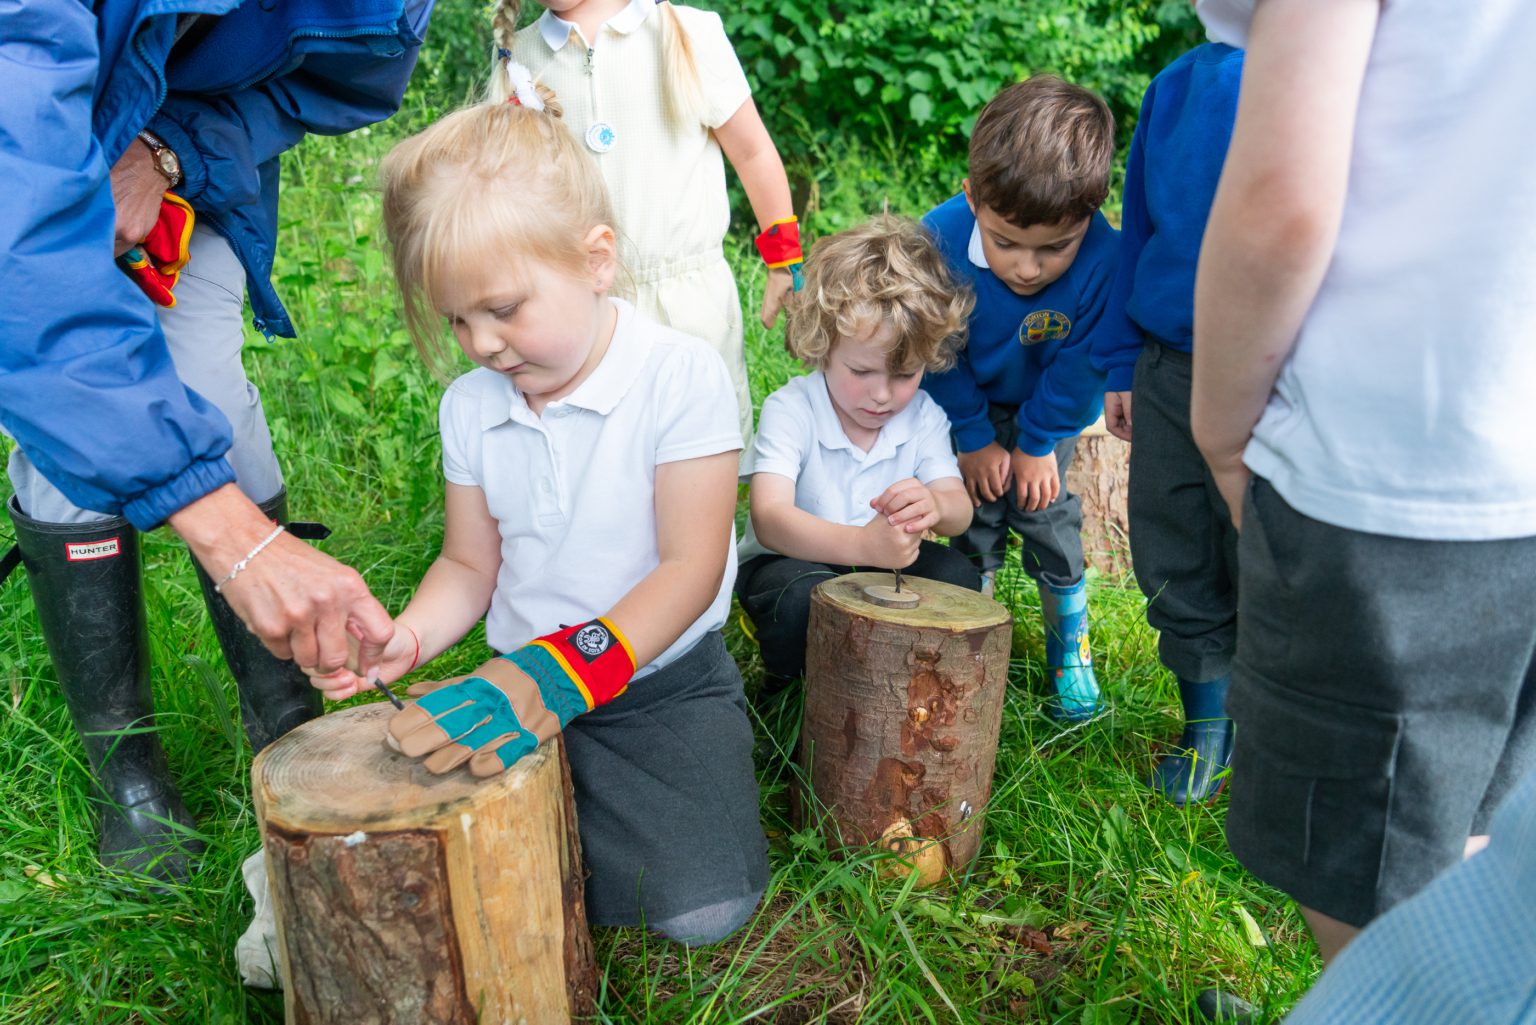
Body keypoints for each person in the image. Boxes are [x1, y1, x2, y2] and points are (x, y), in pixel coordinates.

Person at [311, 87, 768, 947]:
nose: (481, 343)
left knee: (701, 911)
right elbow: (468, 567)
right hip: (515, 677)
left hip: (657, 685)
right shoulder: (470, 407)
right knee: (428, 856)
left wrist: (568, 671)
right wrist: (411, 637)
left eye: (505, 308)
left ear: (596, 260)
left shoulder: (680, 377)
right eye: (456, 318)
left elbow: (690, 569)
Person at [0, 1, 431, 883]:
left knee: (212, 399)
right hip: (26, 165)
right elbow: (22, 259)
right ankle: (128, 774)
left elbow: (334, 75)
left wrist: (164, 150)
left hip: (184, 163)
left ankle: (287, 723)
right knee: (68, 445)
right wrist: (238, 544)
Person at [1191, 0, 1536, 979]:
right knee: (1495, 843)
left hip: (1398, 471)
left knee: (1376, 904)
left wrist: (1219, 423)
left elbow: (1282, 202)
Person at [495, 0, 800, 443]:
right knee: (598, 459)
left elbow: (752, 152)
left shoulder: (690, 31)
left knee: (700, 455)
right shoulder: (518, 54)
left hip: (691, 309)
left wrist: (782, 260)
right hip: (579, 313)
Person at [921, 75, 1118, 721]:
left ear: (1089, 213)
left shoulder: (1105, 257)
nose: (1028, 268)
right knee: (973, 514)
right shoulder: (938, 242)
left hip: (1047, 408)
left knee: (1045, 513)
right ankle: (970, 641)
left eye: (1053, 247)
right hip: (962, 401)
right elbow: (934, 349)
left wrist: (1036, 444)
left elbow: (1083, 362)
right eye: (1006, 242)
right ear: (971, 196)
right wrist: (975, 434)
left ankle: (1071, 650)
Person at [1090, 40, 1244, 805]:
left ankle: (1274, 725)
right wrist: (1122, 361)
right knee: (1175, 539)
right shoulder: (1176, 84)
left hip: (1276, 363)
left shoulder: (1335, 62)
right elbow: (1139, 230)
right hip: (1167, 362)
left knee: (1264, 547)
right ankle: (1206, 724)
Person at [736, 216, 980, 697]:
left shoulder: (923, 416)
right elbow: (769, 517)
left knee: (959, 579)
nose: (882, 395)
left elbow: (959, 509)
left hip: (884, 561)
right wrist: (863, 548)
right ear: (823, 345)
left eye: (905, 374)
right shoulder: (794, 408)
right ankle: (788, 693)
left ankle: (905, 691)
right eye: (861, 371)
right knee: (796, 600)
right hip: (792, 559)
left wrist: (935, 505)